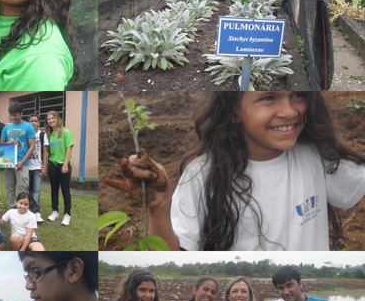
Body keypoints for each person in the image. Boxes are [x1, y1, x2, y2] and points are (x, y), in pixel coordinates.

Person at [110, 92, 365, 250]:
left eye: (298, 95)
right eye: (268, 97)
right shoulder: (202, 174)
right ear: (233, 111)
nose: (290, 111)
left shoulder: (317, 156)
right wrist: (158, 210)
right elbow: (173, 255)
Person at [0, 104, 36, 208]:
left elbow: (32, 147)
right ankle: (12, 208)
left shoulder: (28, 127)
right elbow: (1, 144)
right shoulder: (6, 127)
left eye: (15, 115)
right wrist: (8, 142)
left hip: (23, 163)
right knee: (10, 187)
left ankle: (23, 209)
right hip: (9, 162)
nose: (13, 118)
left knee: (23, 188)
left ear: (21, 113)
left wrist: (23, 161)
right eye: (11, 115)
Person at [43, 111, 74, 225]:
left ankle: (67, 214)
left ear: (58, 119)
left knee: (65, 191)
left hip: (63, 166)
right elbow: (47, 152)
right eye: (48, 119)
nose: (50, 120)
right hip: (53, 166)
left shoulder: (65, 132)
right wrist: (46, 166)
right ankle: (55, 211)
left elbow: (69, 148)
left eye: (52, 118)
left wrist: (65, 164)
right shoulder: (49, 135)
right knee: (54, 190)